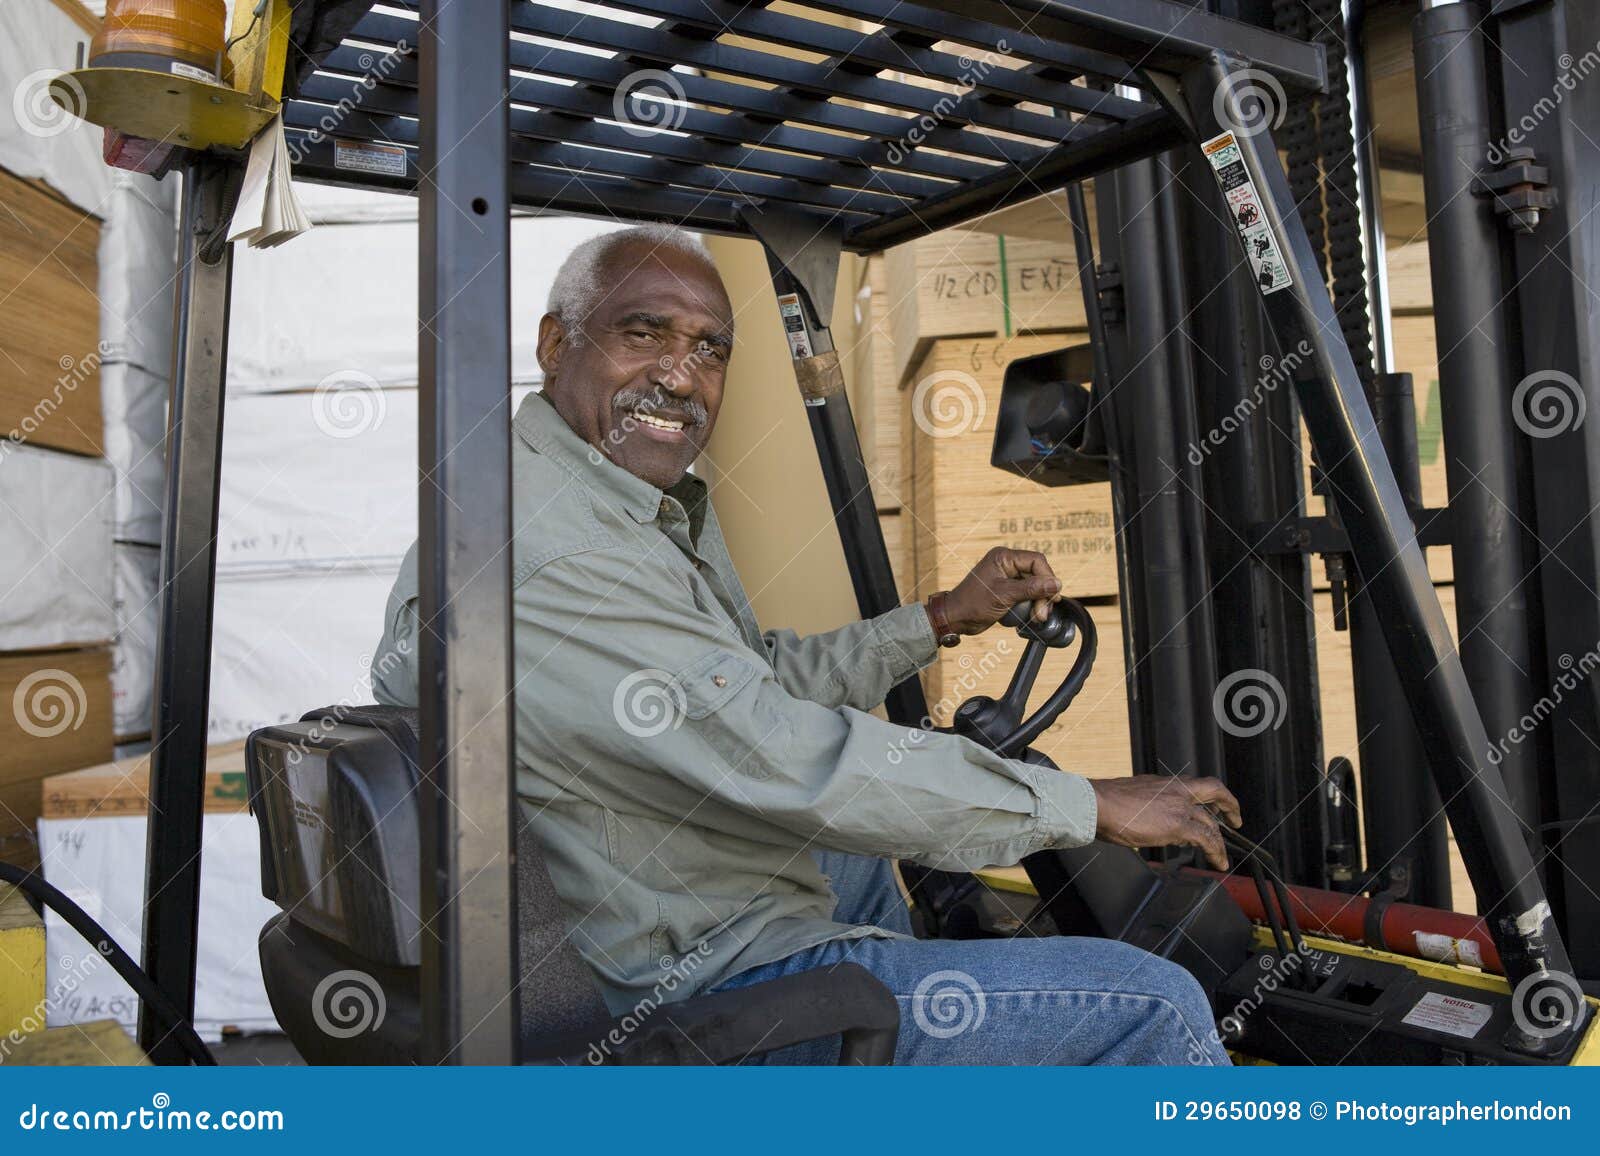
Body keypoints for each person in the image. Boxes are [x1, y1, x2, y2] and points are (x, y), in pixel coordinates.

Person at [372, 224, 1240, 1065]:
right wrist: (1082, 803)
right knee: (1153, 1006)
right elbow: (778, 752)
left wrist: (938, 619)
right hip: (689, 996)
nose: (680, 375)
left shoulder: (585, 496)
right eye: (645, 334)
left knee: (855, 860)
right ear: (555, 343)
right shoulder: (564, 549)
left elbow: (747, 683)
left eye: (710, 350)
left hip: (653, 891)